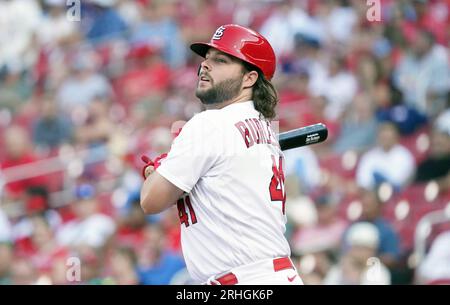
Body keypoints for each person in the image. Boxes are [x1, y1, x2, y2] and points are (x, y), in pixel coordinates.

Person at [140, 24, 302, 285]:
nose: (205, 66)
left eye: (221, 60)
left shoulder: (209, 124)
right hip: (275, 275)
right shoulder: (266, 128)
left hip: (245, 280)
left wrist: (161, 170)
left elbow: (151, 201)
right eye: (206, 59)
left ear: (249, 78)